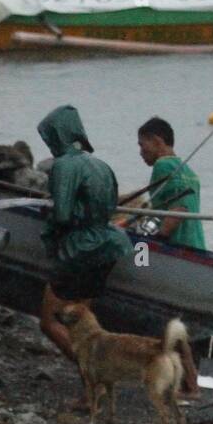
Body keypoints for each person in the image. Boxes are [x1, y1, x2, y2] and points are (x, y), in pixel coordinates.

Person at [35, 105, 132, 369]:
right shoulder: (101, 164)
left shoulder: (63, 166)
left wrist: (49, 208)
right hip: (110, 246)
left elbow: (63, 216)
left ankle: (94, 374)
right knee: (82, 325)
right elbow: (109, 209)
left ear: (58, 136)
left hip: (79, 251)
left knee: (50, 321)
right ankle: (92, 392)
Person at [132, 116, 207, 251]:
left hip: (180, 246)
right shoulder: (189, 171)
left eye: (142, 145)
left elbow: (179, 208)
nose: (140, 152)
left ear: (157, 141)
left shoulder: (162, 165)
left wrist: (158, 239)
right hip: (197, 245)